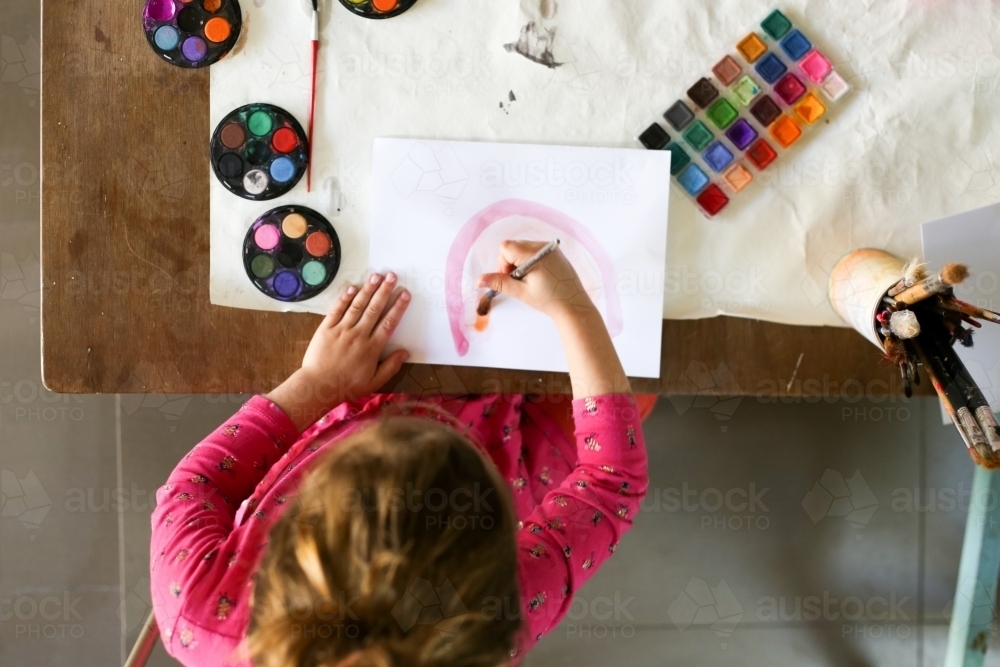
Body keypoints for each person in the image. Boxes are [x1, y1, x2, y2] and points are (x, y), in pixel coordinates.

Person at [150, 240, 651, 667]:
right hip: (521, 455)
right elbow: (610, 482)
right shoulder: (488, 618)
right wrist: (573, 309)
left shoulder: (197, 610)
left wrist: (317, 385)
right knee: (642, 367)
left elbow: (198, 486)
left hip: (353, 390)